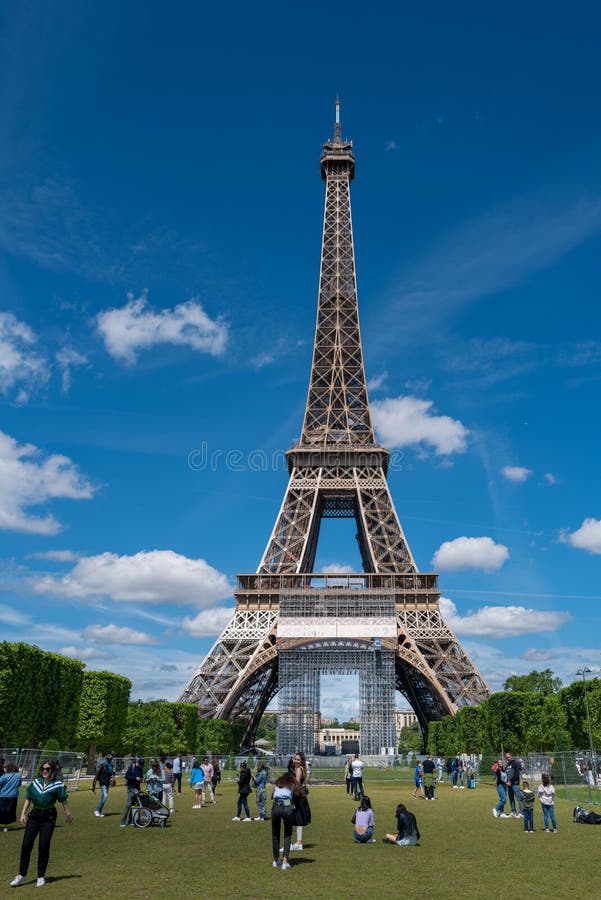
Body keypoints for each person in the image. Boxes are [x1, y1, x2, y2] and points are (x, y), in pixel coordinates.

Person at [9, 759, 73, 889]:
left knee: (43, 846)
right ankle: (21, 875)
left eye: (47, 769)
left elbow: (63, 800)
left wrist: (68, 813)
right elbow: (28, 798)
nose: (44, 771)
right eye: (43, 769)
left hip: (48, 818)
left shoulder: (58, 784)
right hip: (34, 816)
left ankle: (40, 876)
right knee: (26, 845)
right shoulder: (35, 783)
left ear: (53, 771)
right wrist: (22, 814)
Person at [271, 771, 295, 870]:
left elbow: (272, 796)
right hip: (287, 806)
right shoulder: (291, 784)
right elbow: (292, 796)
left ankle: (276, 860)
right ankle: (285, 861)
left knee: (275, 834)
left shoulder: (277, 783)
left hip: (276, 805)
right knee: (288, 833)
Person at [290, 751, 311, 851]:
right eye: (295, 759)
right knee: (299, 820)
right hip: (301, 796)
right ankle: (298, 842)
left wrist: (292, 796)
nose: (296, 761)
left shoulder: (299, 769)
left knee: (295, 819)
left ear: (301, 761)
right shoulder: (302, 768)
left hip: (298, 796)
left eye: (298, 759)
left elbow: (297, 784)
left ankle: (295, 843)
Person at [120, 756, 143, 826]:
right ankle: (123, 821)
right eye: (139, 764)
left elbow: (141, 777)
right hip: (131, 788)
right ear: (137, 763)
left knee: (135, 805)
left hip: (137, 789)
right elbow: (127, 776)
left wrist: (141, 779)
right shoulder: (132, 767)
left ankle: (132, 820)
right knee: (129, 804)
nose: (140, 766)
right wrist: (135, 778)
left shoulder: (140, 769)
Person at [0, 763, 22, 832]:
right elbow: (19, 784)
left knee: (1, 811)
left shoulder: (3, 776)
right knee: (9, 812)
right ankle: (5, 827)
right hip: (13, 796)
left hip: (2, 796)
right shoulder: (18, 775)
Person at [92, 752, 114, 818]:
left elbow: (111, 774)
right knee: (105, 796)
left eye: (111, 758)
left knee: (103, 797)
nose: (110, 759)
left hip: (107, 783)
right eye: (108, 758)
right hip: (102, 782)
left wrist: (113, 779)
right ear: (106, 758)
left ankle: (99, 812)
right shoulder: (103, 765)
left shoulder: (111, 766)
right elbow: (97, 774)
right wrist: (93, 785)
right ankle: (97, 810)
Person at [505, 752, 522, 816]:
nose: (507, 758)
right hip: (509, 785)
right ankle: (513, 812)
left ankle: (521, 812)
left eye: (508, 757)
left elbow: (516, 774)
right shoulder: (506, 765)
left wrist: (510, 781)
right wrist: (506, 782)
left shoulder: (515, 763)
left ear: (511, 756)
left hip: (515, 784)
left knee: (519, 799)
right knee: (511, 799)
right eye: (506, 757)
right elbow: (506, 775)